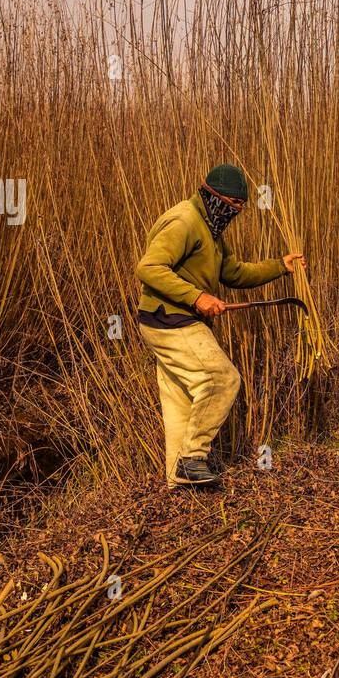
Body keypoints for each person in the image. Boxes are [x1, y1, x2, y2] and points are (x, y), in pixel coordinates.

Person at [135, 164, 304, 487]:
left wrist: (279, 267)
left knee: (180, 402)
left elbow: (234, 273)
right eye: (234, 204)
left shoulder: (211, 227)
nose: (238, 211)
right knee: (222, 378)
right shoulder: (185, 221)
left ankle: (179, 484)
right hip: (170, 318)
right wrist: (197, 297)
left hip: (170, 318)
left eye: (241, 205)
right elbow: (149, 267)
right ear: (214, 197)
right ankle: (192, 459)